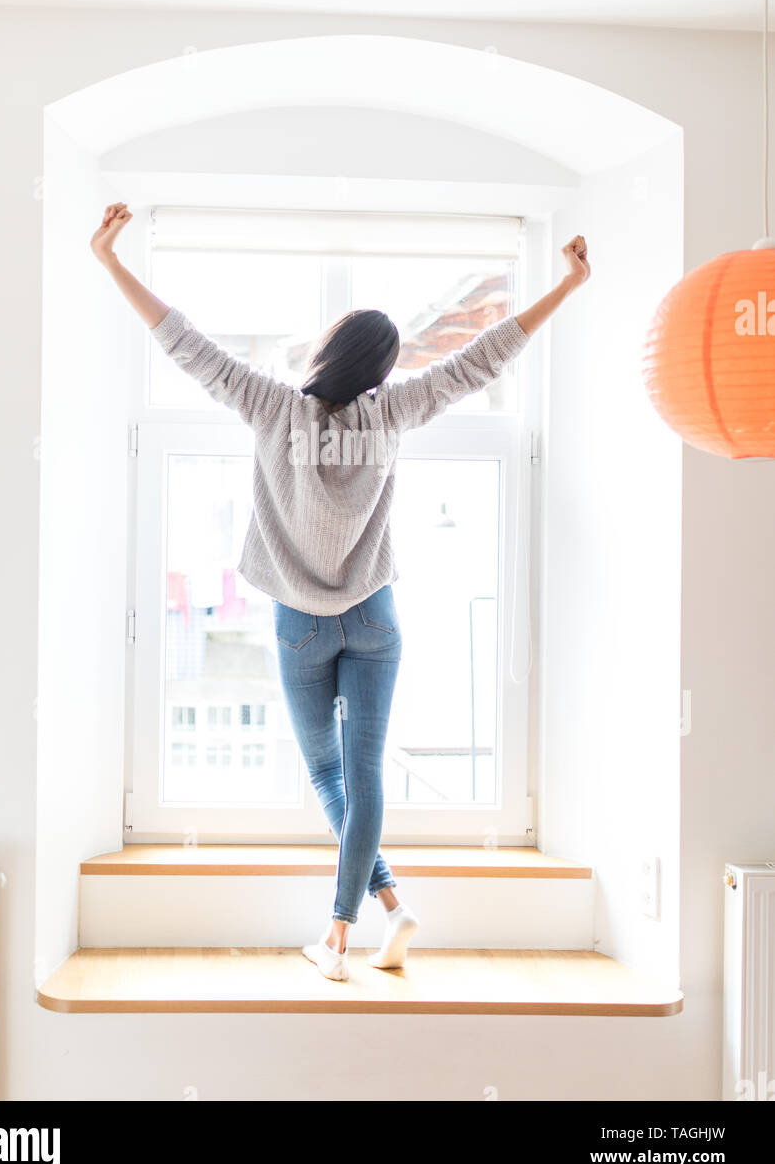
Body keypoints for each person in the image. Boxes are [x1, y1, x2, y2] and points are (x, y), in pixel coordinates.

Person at [91, 203, 591, 981]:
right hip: (376, 619)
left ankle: (338, 938)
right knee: (364, 778)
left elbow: (183, 343)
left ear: (329, 352)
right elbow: (485, 358)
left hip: (299, 624)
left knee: (329, 777)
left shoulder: (272, 406)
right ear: (382, 371)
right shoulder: (393, 411)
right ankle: (383, 913)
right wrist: (568, 286)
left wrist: (112, 262)